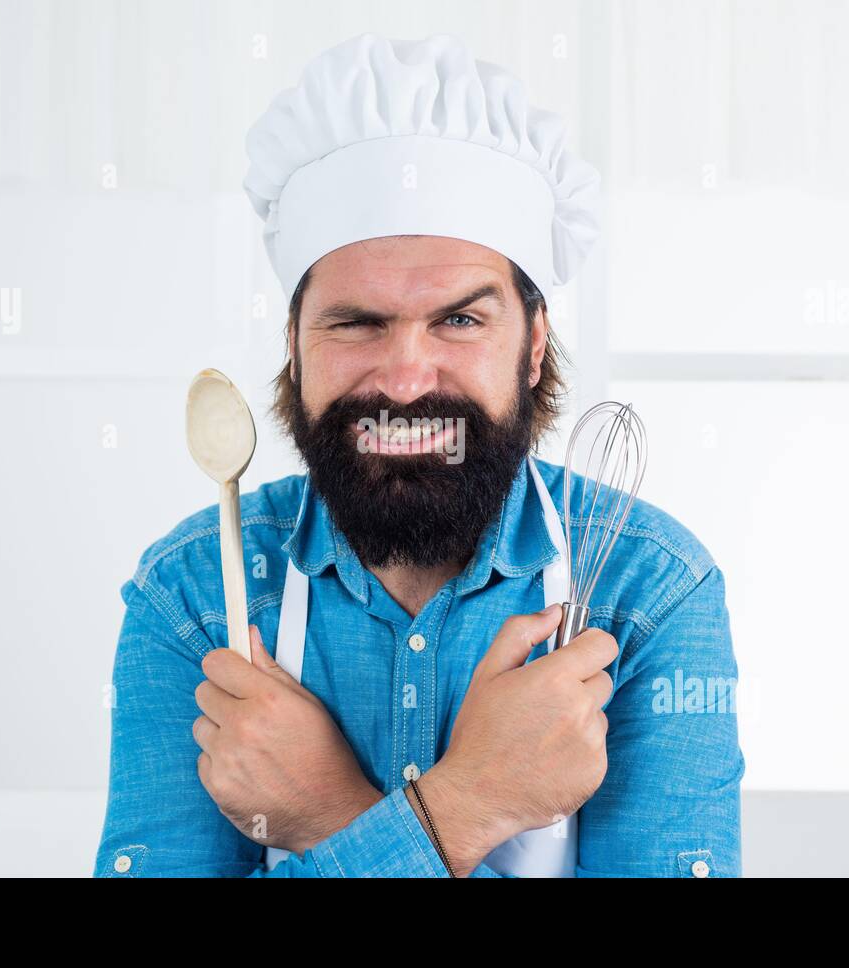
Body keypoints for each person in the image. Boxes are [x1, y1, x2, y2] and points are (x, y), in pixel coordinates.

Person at [94, 32, 743, 878]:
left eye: (461, 320)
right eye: (357, 323)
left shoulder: (648, 589)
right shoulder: (194, 597)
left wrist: (333, 813)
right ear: (294, 345)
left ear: (535, 345)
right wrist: (469, 805)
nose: (404, 380)